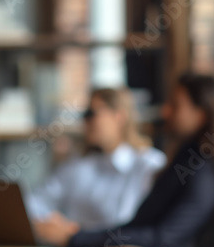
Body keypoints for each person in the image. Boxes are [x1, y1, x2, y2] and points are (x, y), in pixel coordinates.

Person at [35, 72, 214, 247]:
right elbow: (138, 226)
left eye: (176, 105)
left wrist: (76, 238)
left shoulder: (203, 171)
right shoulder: (184, 161)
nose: (165, 111)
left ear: (201, 113)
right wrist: (78, 236)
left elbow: (162, 239)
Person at [28, 88, 167, 230]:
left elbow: (136, 223)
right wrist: (52, 222)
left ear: (119, 116)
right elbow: (37, 202)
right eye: (85, 114)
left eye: (91, 113)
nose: (86, 120)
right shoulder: (77, 165)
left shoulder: (148, 164)